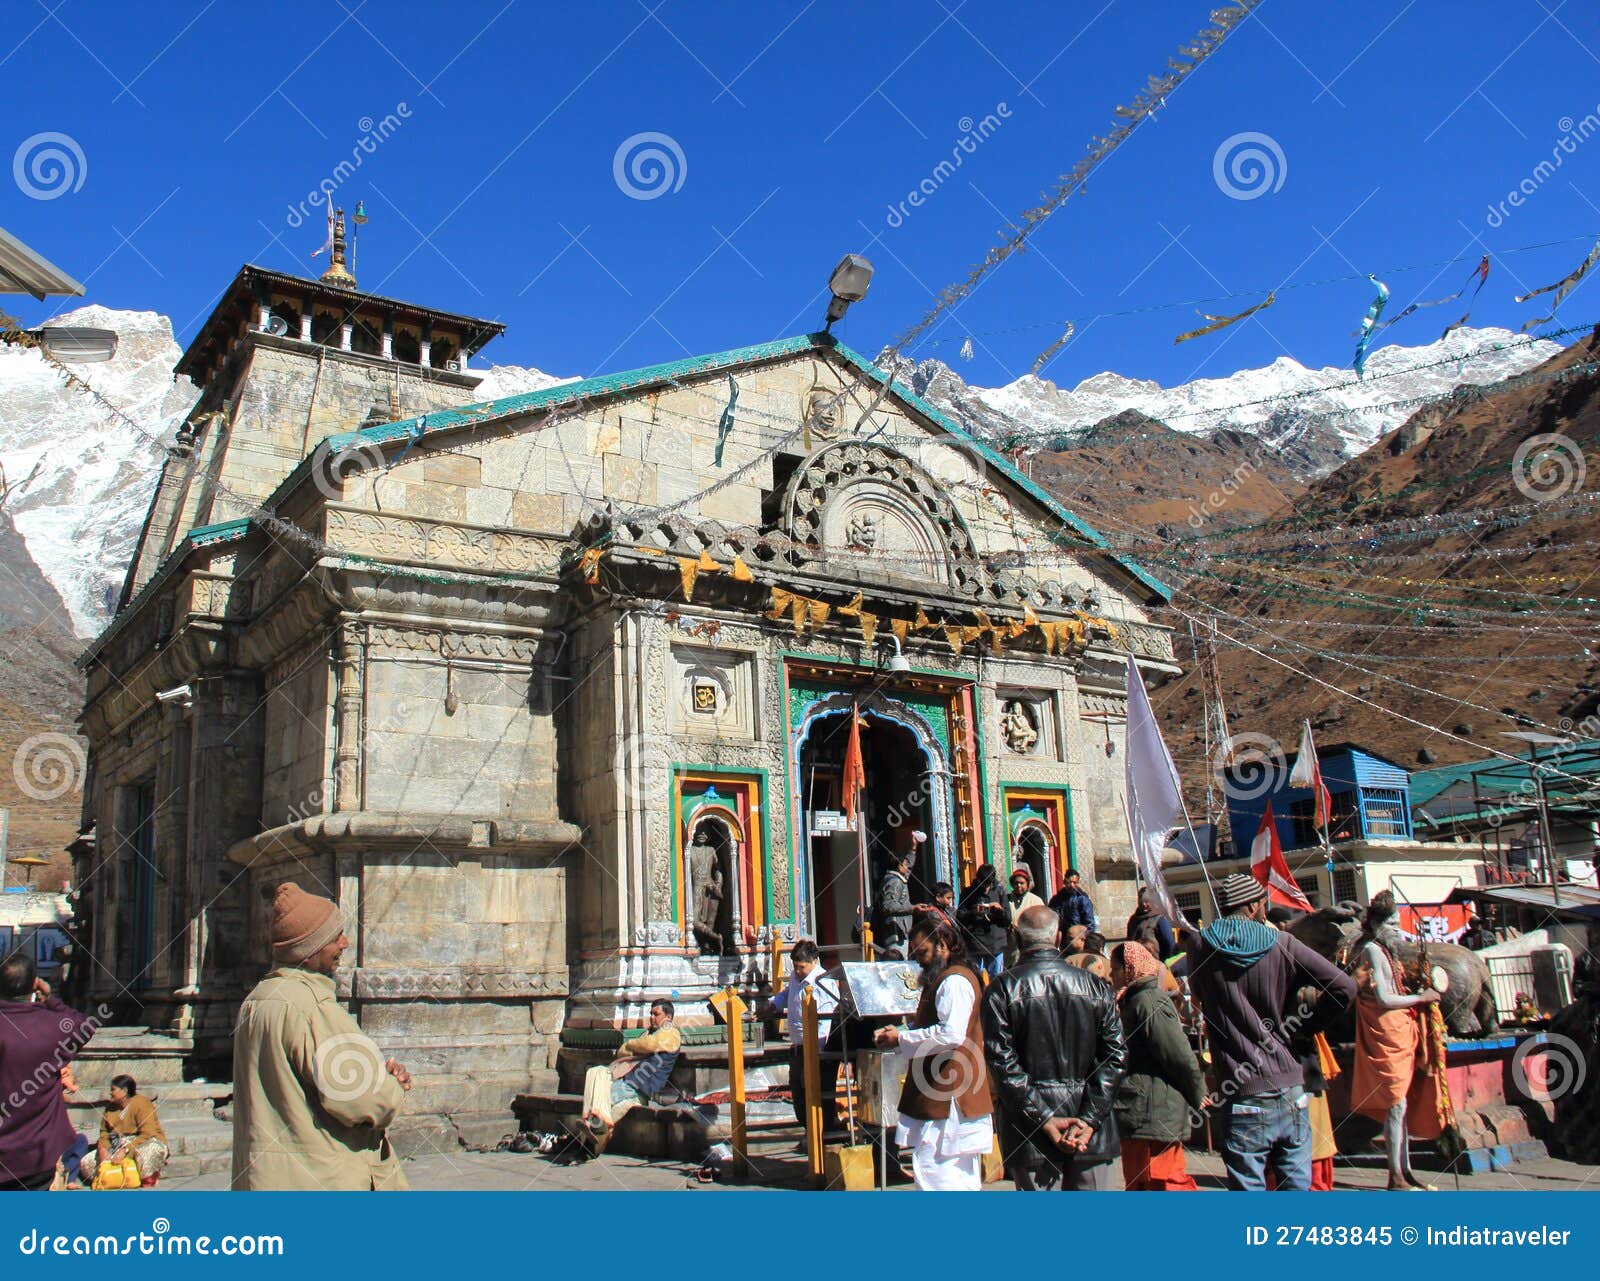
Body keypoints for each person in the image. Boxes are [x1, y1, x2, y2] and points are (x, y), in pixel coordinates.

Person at [232, 883, 412, 1190]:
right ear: (308, 950)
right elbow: (365, 1100)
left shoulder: (257, 999)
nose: (343, 943)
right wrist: (391, 1085)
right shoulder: (311, 1007)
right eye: (333, 937)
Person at [1185, 873, 1356, 1191]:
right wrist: (1306, 1025)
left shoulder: (1199, 945)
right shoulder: (1283, 943)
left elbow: (1197, 993)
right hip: (1290, 1086)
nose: (1264, 909)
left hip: (1241, 1092)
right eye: (1262, 904)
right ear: (1252, 906)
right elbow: (1344, 987)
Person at [983, 904, 1126, 1190]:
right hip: (1088, 1134)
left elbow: (1002, 1067)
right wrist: (1088, 1120)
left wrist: (1046, 1119)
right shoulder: (1094, 986)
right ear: (1058, 937)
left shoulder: (1002, 988)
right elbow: (1116, 1057)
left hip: (1032, 1132)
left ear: (1018, 939)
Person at [872, 918, 993, 1190]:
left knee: (937, 1172)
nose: (919, 961)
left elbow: (951, 1034)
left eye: (922, 952)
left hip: (949, 1094)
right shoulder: (942, 979)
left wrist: (902, 1038)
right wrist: (905, 1030)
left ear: (942, 946)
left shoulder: (954, 982)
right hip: (941, 1088)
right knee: (947, 1173)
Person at [1346, 891, 1443, 1191]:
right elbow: (1385, 997)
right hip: (1384, 1034)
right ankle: (1395, 1174)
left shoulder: (1390, 951)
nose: (1396, 928)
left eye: (1398, 922)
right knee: (1395, 1104)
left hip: (1399, 1031)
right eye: (1390, 922)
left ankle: (1405, 1170)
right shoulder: (1373, 950)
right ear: (1375, 924)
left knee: (1401, 1105)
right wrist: (1421, 997)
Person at [1109, 941, 1202, 1190]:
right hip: (1143, 1110)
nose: (1111, 975)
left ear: (1128, 968)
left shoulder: (1149, 1002)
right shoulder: (1135, 999)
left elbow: (1178, 1054)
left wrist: (1198, 1092)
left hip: (1153, 1111)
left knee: (1163, 1182)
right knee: (1143, 1183)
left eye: (1114, 969)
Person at [0, 951, 94, 1192]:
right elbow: (84, 1025)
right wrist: (51, 998)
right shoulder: (52, 1026)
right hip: (37, 1159)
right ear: (34, 984)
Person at [580, 999, 683, 1153]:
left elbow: (650, 1045)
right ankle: (585, 1139)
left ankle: (583, 1138)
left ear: (668, 1017)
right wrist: (634, 1046)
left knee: (606, 1099)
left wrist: (631, 1045)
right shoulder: (648, 1033)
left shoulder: (671, 1033)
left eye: (656, 1014)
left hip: (640, 1088)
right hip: (628, 1084)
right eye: (651, 1014)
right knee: (597, 1078)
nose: (652, 1018)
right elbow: (621, 1051)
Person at [767, 940, 840, 1130]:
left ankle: (827, 1136)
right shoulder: (795, 977)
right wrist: (775, 1003)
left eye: (802, 967)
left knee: (820, 1096)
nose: (798, 971)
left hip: (818, 1048)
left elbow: (826, 1021)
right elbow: (788, 992)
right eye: (796, 967)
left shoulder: (824, 982)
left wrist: (817, 1051)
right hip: (798, 1046)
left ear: (814, 962)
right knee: (799, 1095)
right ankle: (811, 1134)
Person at [78, 1075, 169, 1187]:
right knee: (88, 1163)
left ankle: (145, 1179)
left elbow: (148, 1133)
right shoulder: (110, 1107)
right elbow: (104, 1132)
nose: (110, 1093)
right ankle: (121, 1178)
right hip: (117, 1144)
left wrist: (126, 1149)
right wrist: (103, 1148)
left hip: (144, 1142)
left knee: (148, 1152)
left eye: (113, 1090)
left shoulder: (142, 1104)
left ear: (124, 1091)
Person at [956, 865, 1009, 978]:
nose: (985, 887)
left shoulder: (1000, 892)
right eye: (983, 883)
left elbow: (1007, 920)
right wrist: (973, 912)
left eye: (987, 884)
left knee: (996, 978)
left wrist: (999, 910)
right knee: (975, 977)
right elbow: (960, 918)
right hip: (975, 942)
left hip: (996, 944)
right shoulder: (968, 893)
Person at [873, 849, 916, 960]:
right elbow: (888, 906)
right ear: (899, 866)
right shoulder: (895, 882)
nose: (907, 868)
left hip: (900, 932)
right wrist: (912, 908)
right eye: (905, 864)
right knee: (898, 965)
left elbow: (909, 868)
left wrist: (913, 849)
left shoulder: (898, 879)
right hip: (896, 934)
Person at [1125, 889, 1177, 961]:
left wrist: (1167, 963)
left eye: (1147, 901)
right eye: (1141, 900)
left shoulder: (1160, 919)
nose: (1144, 904)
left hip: (1156, 964)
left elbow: (1170, 944)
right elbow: (1128, 943)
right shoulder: (1133, 920)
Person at [1048, 869, 1098, 934]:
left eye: (1074, 882)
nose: (1072, 885)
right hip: (1061, 938)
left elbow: (1089, 925)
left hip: (1077, 937)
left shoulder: (1082, 899)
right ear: (1064, 882)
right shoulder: (1056, 900)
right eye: (1069, 882)